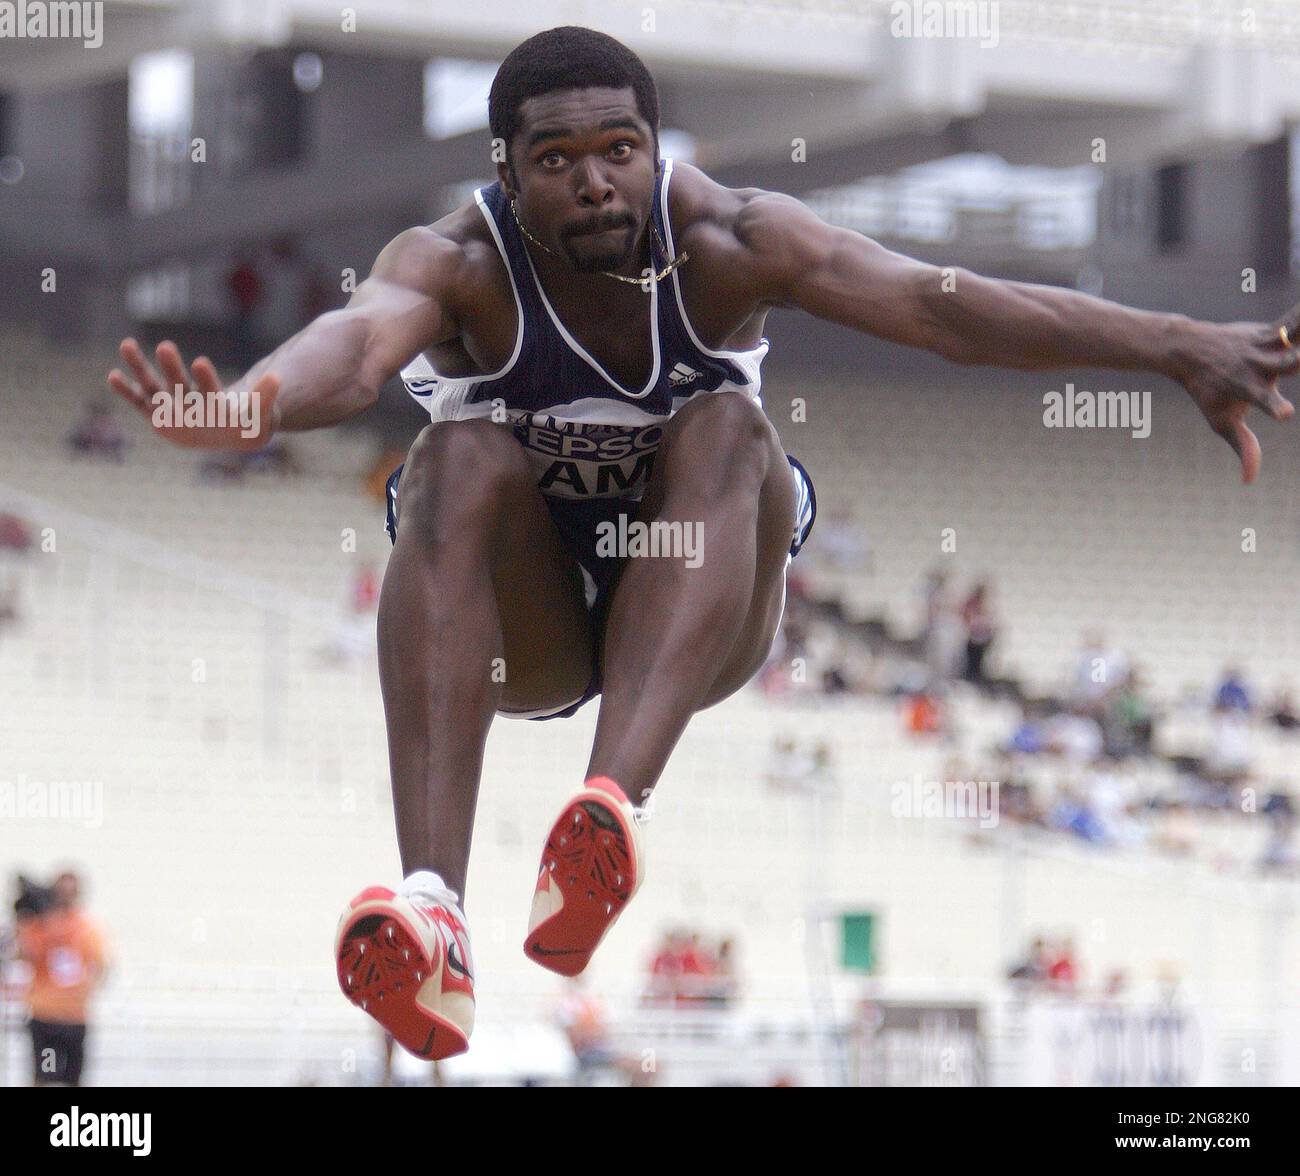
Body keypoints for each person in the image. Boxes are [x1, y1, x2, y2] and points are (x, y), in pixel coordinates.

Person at [105, 26, 1300, 1061]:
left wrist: (1170, 341)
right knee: (451, 457)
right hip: (528, 636)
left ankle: (607, 813)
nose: (592, 184)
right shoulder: (456, 265)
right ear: (507, 175)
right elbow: (357, 347)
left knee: (731, 424)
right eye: (555, 162)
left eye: (617, 152)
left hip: (693, 616)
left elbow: (944, 306)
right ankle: (438, 913)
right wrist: (245, 403)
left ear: (656, 149)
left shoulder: (732, 241)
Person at [15, 872, 108, 1087]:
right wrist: (25, 921)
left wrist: (88, 991)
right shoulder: (40, 924)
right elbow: (24, 954)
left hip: (74, 1017)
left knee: (73, 1078)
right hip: (46, 1016)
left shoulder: (86, 927)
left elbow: (101, 964)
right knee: (45, 1074)